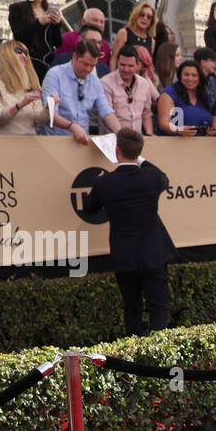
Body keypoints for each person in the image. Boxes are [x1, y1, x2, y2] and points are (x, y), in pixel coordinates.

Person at [81, 128, 177, 335]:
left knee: (132, 309)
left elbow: (89, 209)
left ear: (117, 150)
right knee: (158, 308)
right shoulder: (151, 178)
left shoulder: (103, 182)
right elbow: (162, 176)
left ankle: (135, 358)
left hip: (125, 256)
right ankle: (160, 357)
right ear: (139, 151)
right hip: (154, 254)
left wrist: (97, 184)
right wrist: (139, 157)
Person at [40, 40, 121, 142]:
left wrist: (119, 131)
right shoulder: (55, 75)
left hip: (82, 140)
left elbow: (106, 111)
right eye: (85, 64)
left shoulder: (95, 81)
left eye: (92, 66)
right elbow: (51, 114)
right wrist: (71, 126)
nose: (88, 69)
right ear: (75, 57)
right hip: (56, 140)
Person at [8, 0, 62, 82]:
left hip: (48, 63)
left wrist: (57, 25)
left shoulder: (49, 10)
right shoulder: (17, 8)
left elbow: (58, 43)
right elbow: (19, 34)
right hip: (28, 61)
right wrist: (39, 23)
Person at [0, 40, 48, 134]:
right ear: (6, 55)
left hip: (29, 144)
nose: (24, 55)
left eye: (26, 53)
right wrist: (21, 104)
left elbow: (38, 121)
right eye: (19, 51)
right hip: (1, 145)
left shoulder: (30, 85)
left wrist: (48, 109)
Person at [101, 45, 156, 135]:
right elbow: (107, 115)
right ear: (117, 62)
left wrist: (149, 135)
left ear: (138, 65)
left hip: (137, 141)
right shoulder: (105, 83)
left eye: (130, 66)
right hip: (112, 139)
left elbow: (146, 114)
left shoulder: (144, 84)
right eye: (122, 65)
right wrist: (123, 136)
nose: (126, 69)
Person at [155, 59, 212, 136]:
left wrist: (210, 130)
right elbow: (163, 124)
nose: (190, 79)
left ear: (199, 78)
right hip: (172, 144)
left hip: (201, 144)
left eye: (194, 75)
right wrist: (179, 130)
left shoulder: (204, 95)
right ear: (180, 76)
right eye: (186, 75)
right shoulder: (169, 93)